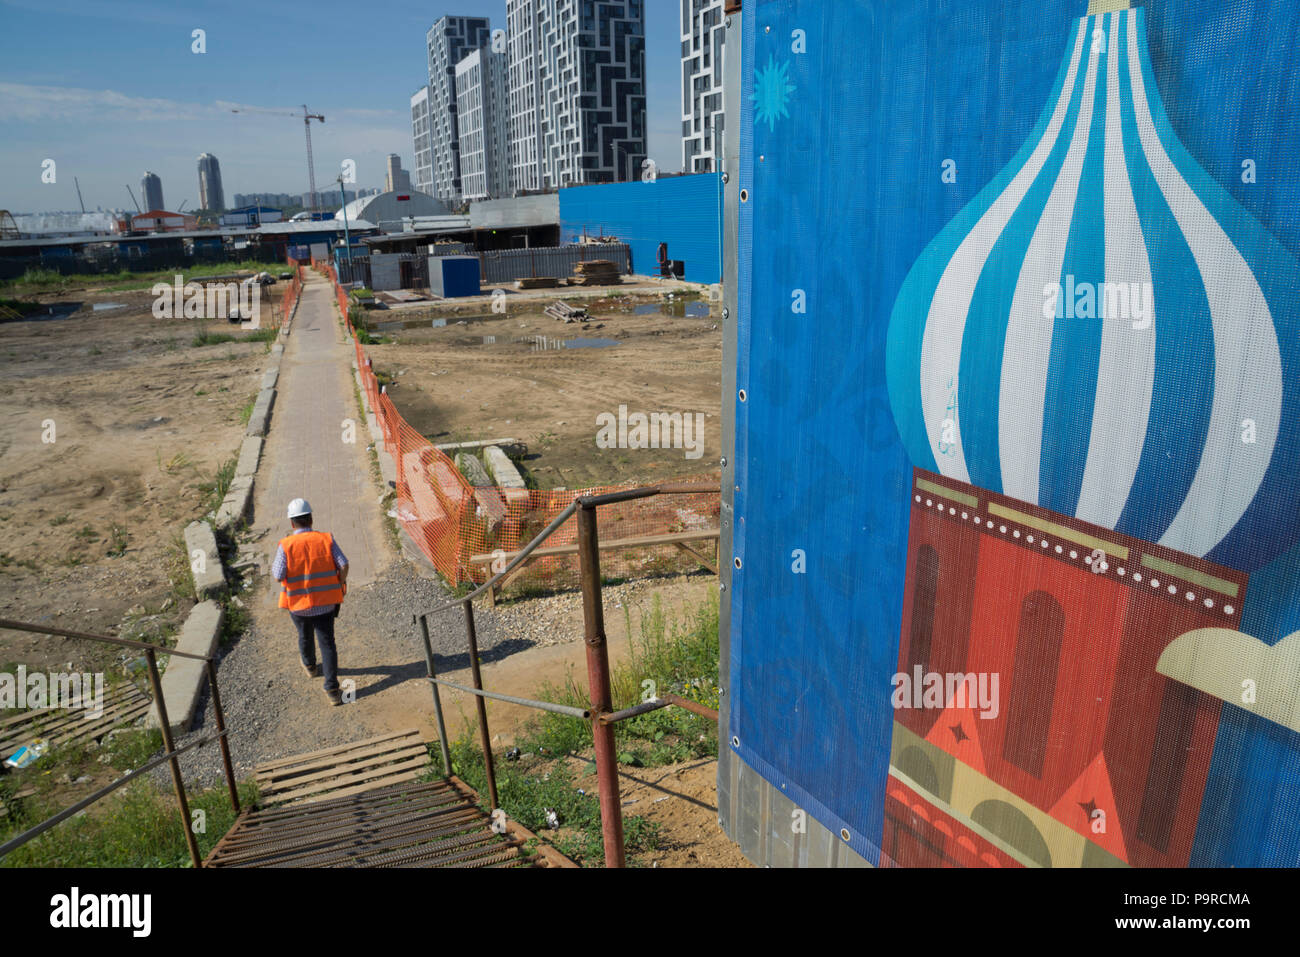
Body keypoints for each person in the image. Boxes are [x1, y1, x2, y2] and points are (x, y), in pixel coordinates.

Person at [271, 498, 349, 706]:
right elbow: (344, 564)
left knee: (304, 636)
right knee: (328, 643)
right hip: (326, 604)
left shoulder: (286, 545)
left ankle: (310, 666)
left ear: (292, 523)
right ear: (311, 519)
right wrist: (338, 583)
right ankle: (332, 689)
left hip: (298, 605)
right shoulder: (326, 539)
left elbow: (278, 575)